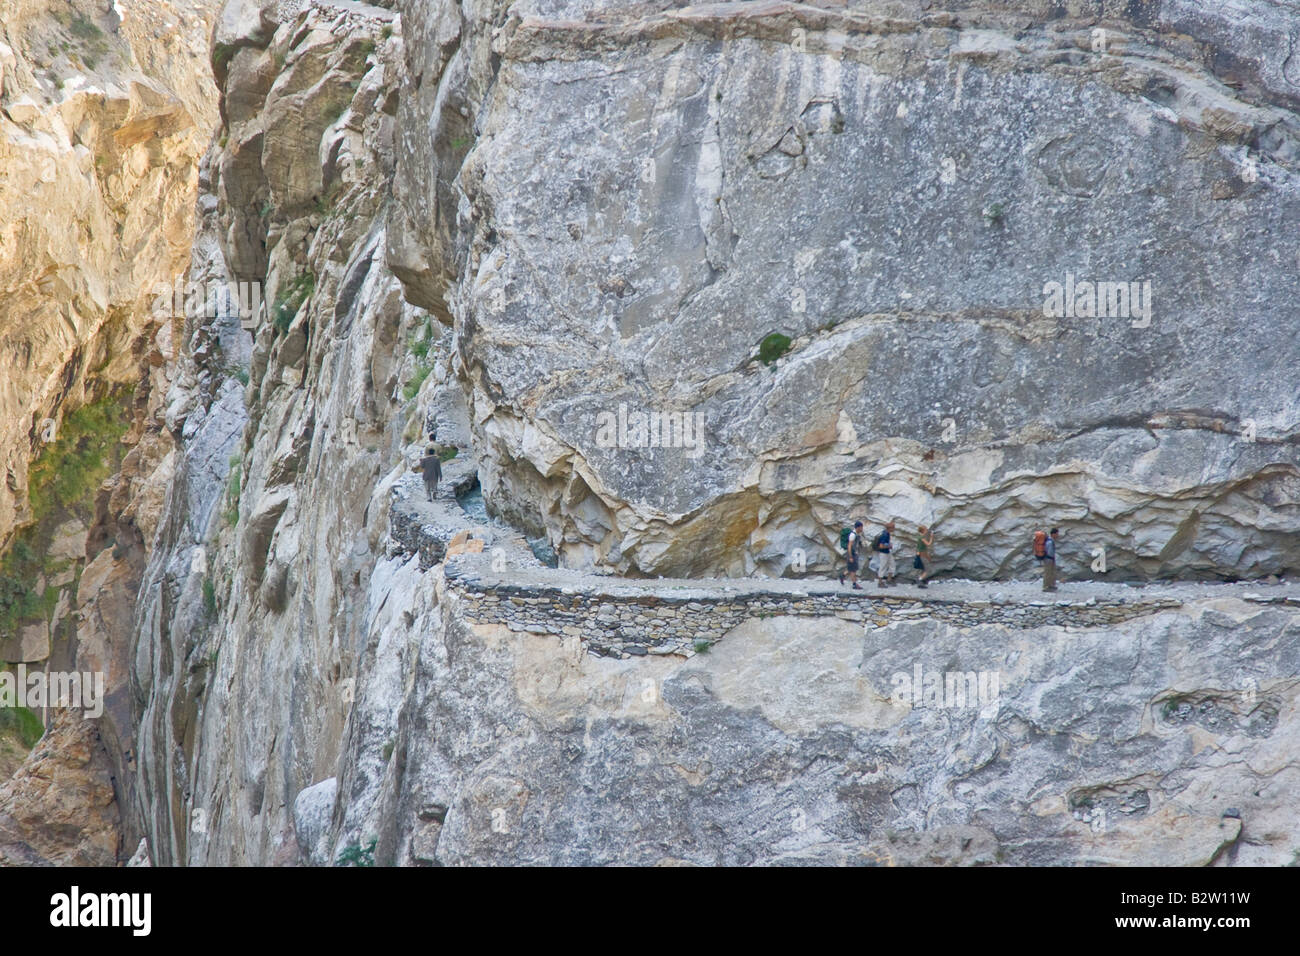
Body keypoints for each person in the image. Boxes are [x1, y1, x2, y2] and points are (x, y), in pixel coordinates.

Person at [840, 521, 864, 589]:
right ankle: (854, 584)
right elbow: (849, 546)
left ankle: (842, 575)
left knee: (852, 568)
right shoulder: (853, 535)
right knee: (853, 570)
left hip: (855, 553)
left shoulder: (857, 534)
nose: (862, 529)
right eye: (861, 527)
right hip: (852, 554)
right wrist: (850, 556)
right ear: (858, 527)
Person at [875, 521, 896, 588]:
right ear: (890, 528)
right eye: (893, 528)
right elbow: (881, 546)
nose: (894, 529)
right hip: (883, 553)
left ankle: (889, 579)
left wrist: (889, 546)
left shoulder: (887, 533)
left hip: (887, 552)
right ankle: (880, 582)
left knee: (892, 564)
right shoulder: (885, 535)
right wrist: (888, 546)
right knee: (883, 566)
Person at [1043, 527, 1060, 591]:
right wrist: (1051, 558)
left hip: (1050, 559)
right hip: (1048, 559)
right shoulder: (1050, 542)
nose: (1058, 535)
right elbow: (1049, 551)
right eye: (1057, 534)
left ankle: (1051, 585)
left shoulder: (1050, 540)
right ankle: (1045, 587)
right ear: (1053, 534)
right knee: (1047, 572)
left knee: (1051, 572)